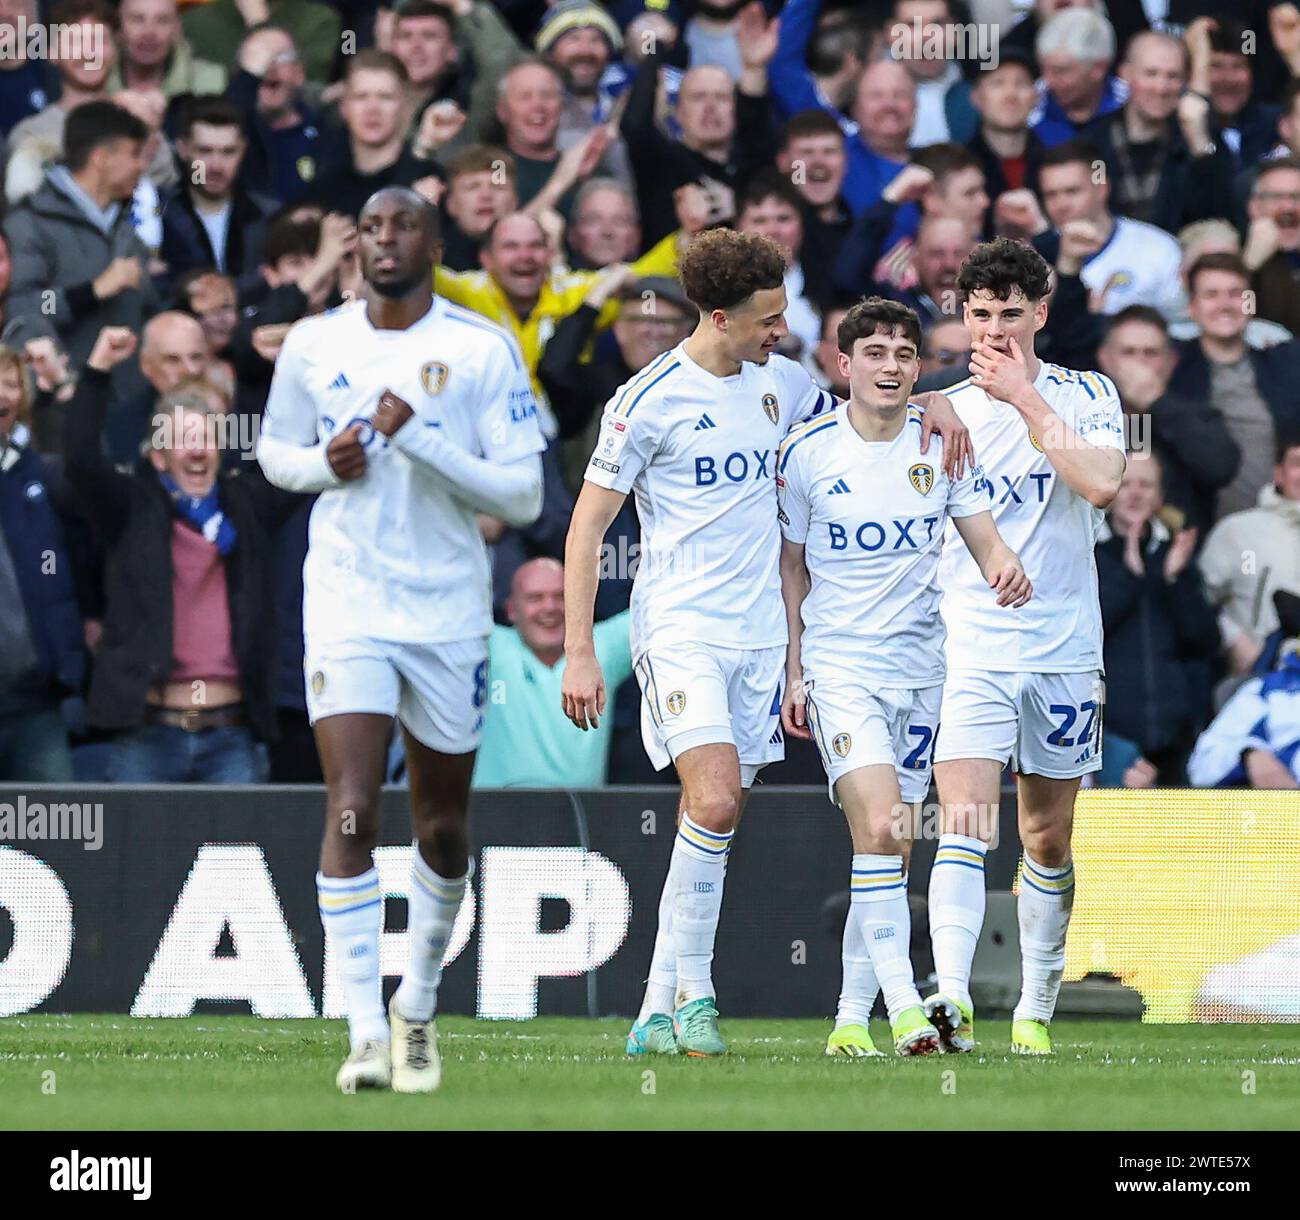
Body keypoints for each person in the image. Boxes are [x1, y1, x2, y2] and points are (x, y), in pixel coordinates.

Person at [560, 228, 971, 1058]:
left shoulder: (784, 385)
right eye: (767, 318)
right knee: (711, 800)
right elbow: (586, 526)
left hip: (761, 637)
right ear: (718, 317)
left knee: (714, 819)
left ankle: (653, 1003)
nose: (780, 330)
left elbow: (867, 412)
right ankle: (700, 995)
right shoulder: (648, 400)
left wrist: (939, 399)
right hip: (681, 626)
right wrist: (578, 648)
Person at [256, 186, 545, 1093]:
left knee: (443, 826)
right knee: (352, 805)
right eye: (371, 228)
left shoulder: (479, 345)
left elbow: (524, 498)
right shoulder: (313, 342)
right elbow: (274, 452)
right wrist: (322, 463)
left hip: (450, 608)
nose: (385, 240)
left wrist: (417, 439)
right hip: (347, 601)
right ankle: (361, 1033)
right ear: (357, 247)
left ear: (434, 240)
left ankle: (415, 1006)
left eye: (403, 225)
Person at [778, 296, 1028, 1058]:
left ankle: (850, 1019)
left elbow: (980, 535)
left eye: (904, 355)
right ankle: (906, 1009)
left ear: (919, 367)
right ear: (843, 364)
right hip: (840, 669)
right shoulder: (807, 451)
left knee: (890, 851)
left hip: (922, 673)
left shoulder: (941, 443)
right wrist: (793, 668)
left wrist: (1002, 565)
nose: (890, 367)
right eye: (875, 354)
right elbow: (790, 568)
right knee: (884, 828)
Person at [915, 236, 1126, 1057]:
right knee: (963, 819)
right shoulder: (937, 412)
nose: (996, 329)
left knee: (1045, 836)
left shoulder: (1087, 394)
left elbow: (1104, 482)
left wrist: (1027, 402)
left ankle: (1036, 1005)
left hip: (1065, 647)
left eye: (1011, 313)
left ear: (1040, 313)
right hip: (968, 645)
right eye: (980, 314)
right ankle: (954, 999)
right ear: (962, 316)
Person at [65, 329, 296, 782]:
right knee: (139, 857)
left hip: (233, 735)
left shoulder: (246, 506)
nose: (195, 449)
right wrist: (96, 370)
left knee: (237, 857)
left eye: (205, 437)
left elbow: (299, 464)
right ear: (157, 458)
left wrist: (289, 372)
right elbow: (80, 462)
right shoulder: (132, 508)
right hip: (148, 737)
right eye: (180, 438)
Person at [1094, 450, 1220, 786]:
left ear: (1160, 496)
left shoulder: (1175, 557)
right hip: (1109, 739)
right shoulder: (1087, 554)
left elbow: (1206, 642)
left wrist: (1173, 581)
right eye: (1126, 484)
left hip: (1175, 742)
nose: (1134, 493)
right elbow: (1086, 632)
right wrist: (1130, 578)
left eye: (1145, 485)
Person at [0, 345, 84, 782]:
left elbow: (92, 476)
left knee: (59, 840)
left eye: (11, 384)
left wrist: (67, 388)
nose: (1, 395)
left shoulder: (41, 477)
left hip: (35, 706)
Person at [474, 557, 631, 788]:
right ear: (511, 609)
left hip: (585, 818)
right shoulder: (488, 645)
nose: (550, 607)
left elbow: (661, 607)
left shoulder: (601, 649)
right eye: (535, 598)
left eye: (561, 596)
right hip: (493, 814)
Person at [1169, 253, 1300, 520]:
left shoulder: (1287, 363)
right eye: (1211, 294)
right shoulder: (1170, 371)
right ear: (1192, 307)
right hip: (1199, 533)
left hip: (1283, 526)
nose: (1225, 305)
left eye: (1235, 293)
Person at [1096, 305, 1240, 533]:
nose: (1139, 363)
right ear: (1105, 359)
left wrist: (1156, 401)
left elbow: (1220, 467)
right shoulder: (1083, 417)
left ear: (1171, 361)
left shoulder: (1196, 413)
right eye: (1128, 352)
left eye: (1151, 353)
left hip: (1179, 559)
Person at [1032, 138, 1183, 318]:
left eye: (1072, 191)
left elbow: (1180, 328)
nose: (1061, 204)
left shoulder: (1157, 248)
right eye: (1051, 195)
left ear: (1102, 188)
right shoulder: (1034, 257)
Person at [1199, 434, 1300, 677]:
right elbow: (1201, 601)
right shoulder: (1240, 532)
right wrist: (1234, 640)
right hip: (1259, 677)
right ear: (1279, 473)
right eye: (1298, 463)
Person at [160, 96, 275, 290]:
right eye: (204, 151)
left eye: (228, 152)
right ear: (182, 149)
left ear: (243, 150)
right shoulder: (159, 215)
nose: (216, 165)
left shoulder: (269, 217)